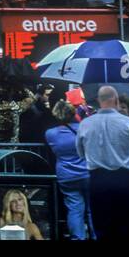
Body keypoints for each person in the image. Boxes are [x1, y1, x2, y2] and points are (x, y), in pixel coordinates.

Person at [75, 85, 129, 239]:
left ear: (98, 101)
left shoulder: (85, 124)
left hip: (98, 181)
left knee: (103, 227)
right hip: (127, 181)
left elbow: (81, 153)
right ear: (116, 100)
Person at [45, 100, 92, 239]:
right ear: (73, 113)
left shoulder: (50, 134)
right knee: (92, 209)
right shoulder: (85, 129)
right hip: (88, 172)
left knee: (74, 209)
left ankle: (77, 238)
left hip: (66, 175)